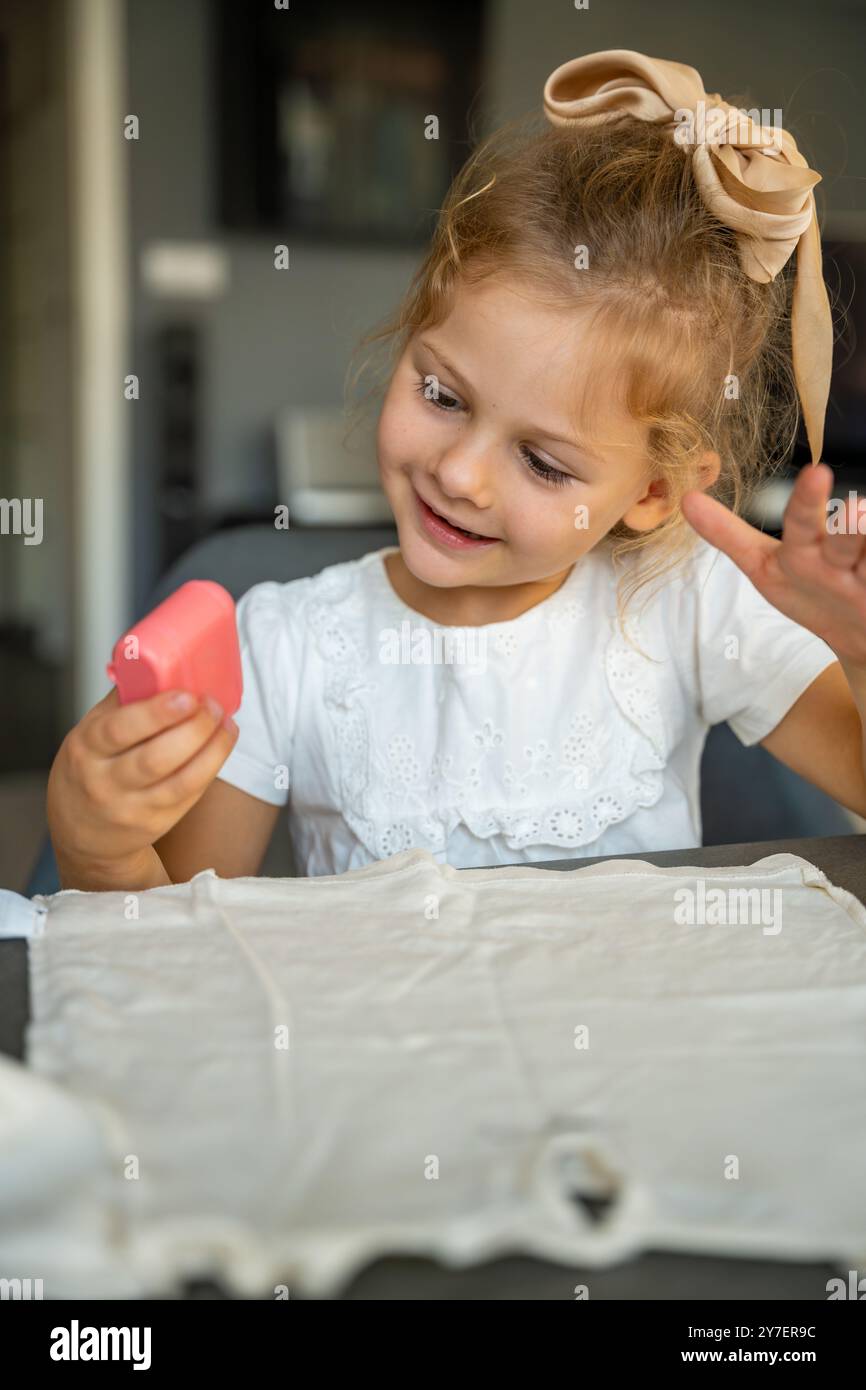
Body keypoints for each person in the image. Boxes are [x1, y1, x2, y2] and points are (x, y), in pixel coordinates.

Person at [47, 51, 866, 889]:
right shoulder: (284, 645)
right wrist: (97, 846)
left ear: (654, 492)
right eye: (441, 394)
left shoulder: (689, 602)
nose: (462, 475)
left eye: (543, 463)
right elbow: (187, 933)